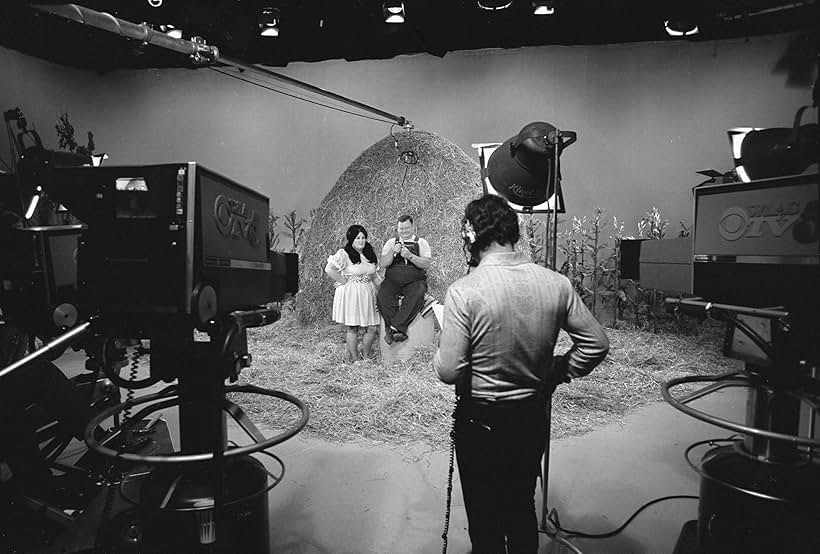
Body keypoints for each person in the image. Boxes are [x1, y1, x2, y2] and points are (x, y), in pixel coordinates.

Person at [433, 194, 609, 554]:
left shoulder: (463, 292)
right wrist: (559, 370)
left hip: (479, 420)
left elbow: (449, 371)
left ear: (471, 238)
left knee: (484, 519)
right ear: (512, 233)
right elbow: (596, 343)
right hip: (532, 416)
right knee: (520, 506)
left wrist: (441, 355)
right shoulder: (556, 283)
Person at [325, 225, 382, 362]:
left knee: (372, 328)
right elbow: (329, 269)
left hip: (368, 294)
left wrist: (385, 291)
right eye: (357, 238)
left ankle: (365, 356)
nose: (361, 241)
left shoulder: (369, 254)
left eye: (363, 238)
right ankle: (355, 359)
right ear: (351, 239)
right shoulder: (344, 254)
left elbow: (375, 278)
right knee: (353, 327)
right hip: (352, 295)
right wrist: (344, 281)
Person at [377, 215, 431, 344]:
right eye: (401, 229)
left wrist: (410, 256)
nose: (404, 231)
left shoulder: (421, 242)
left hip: (414, 280)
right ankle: (396, 331)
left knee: (418, 292)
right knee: (383, 295)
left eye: (407, 228)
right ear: (397, 229)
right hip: (393, 280)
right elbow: (383, 263)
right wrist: (393, 253)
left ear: (413, 227)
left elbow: (426, 264)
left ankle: (394, 328)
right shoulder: (391, 242)